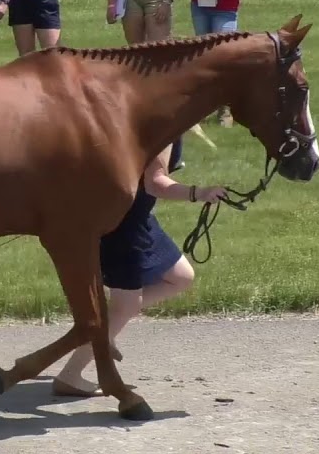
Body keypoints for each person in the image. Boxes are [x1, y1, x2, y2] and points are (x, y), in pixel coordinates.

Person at [52, 142, 227, 397]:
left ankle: (107, 328)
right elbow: (156, 183)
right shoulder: (166, 122)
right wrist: (199, 193)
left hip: (139, 218)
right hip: (123, 225)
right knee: (127, 305)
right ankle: (70, 375)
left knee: (180, 277)